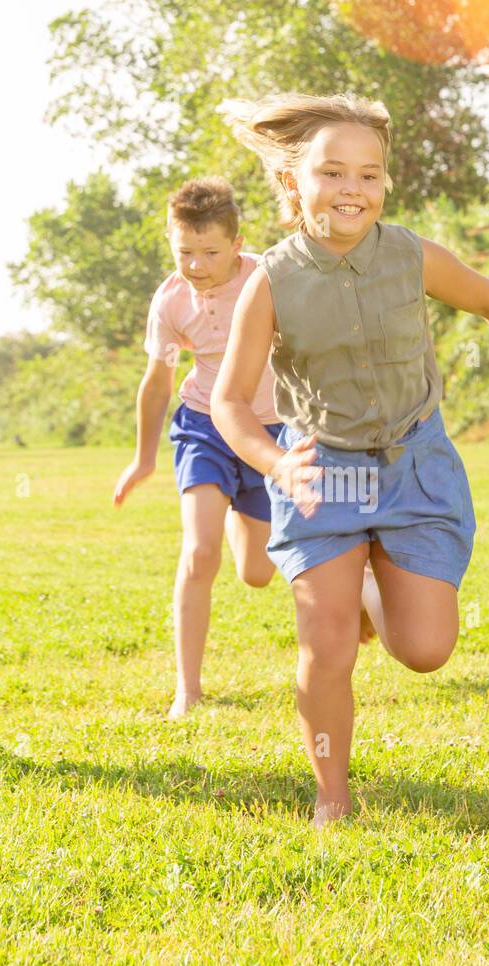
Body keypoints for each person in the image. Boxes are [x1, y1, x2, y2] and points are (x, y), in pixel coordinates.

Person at [212, 92, 489, 824]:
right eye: (333, 173)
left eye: (369, 175)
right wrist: (274, 464)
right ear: (293, 185)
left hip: (414, 463)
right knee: (326, 643)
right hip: (322, 473)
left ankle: (376, 592)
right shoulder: (270, 283)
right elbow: (229, 402)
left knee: (427, 648)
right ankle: (331, 795)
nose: (353, 189)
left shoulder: (410, 255)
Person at [113, 178, 282, 720]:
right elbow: (157, 383)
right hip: (205, 425)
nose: (196, 264)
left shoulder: (267, 277)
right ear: (170, 240)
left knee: (256, 573)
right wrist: (143, 459)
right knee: (199, 550)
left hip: (268, 431)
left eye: (210, 252)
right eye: (184, 251)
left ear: (236, 243)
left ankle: (238, 508)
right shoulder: (170, 302)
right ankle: (188, 687)